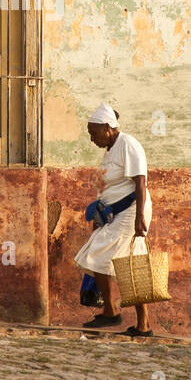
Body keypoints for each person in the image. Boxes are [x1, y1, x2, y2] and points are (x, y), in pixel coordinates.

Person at [74, 103, 154, 336]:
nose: (92, 139)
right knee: (131, 264)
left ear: (107, 128)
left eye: (93, 133)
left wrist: (140, 217)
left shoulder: (128, 144)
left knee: (97, 253)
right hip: (116, 213)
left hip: (132, 210)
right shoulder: (111, 149)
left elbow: (140, 182)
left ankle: (110, 311)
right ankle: (143, 324)